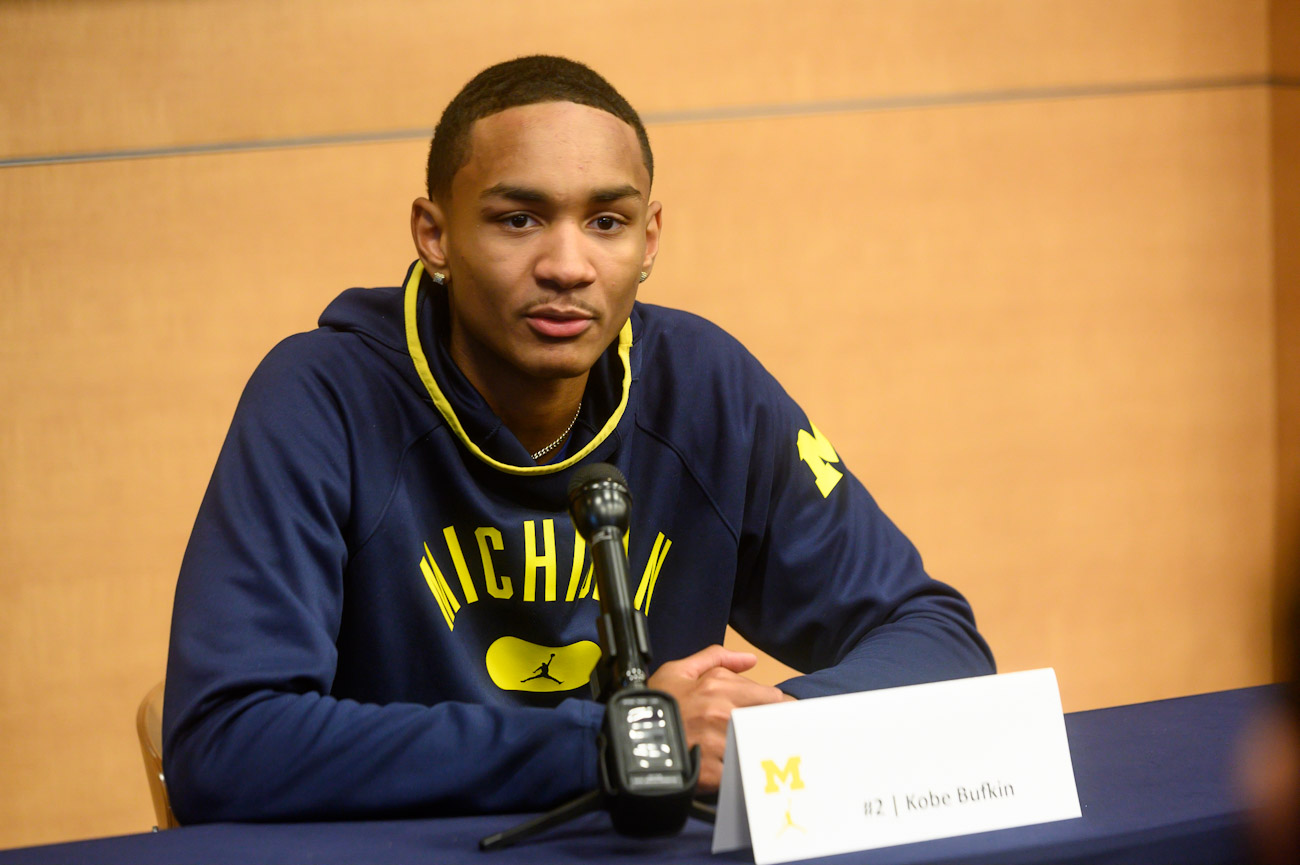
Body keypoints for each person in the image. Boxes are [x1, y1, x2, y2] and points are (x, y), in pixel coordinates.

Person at [163, 55, 994, 824]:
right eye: (519, 218)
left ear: (650, 239)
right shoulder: (321, 398)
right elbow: (224, 746)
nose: (569, 264)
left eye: (606, 221)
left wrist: (762, 727)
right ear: (434, 233)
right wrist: (610, 743)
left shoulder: (706, 386)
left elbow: (936, 637)